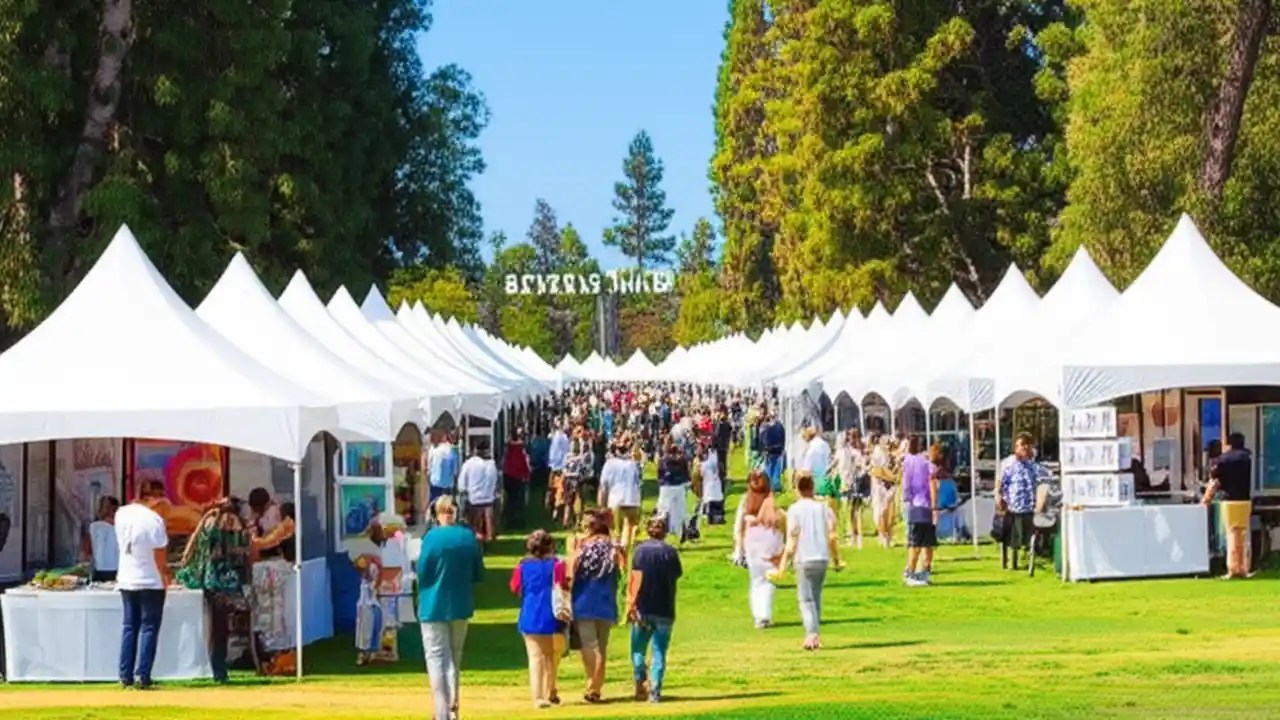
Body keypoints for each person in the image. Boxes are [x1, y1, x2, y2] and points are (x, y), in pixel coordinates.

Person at [416, 496, 485, 720]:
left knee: (436, 657)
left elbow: (422, 572)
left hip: (433, 604)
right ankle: (454, 708)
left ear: (436, 514)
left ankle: (441, 711)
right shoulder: (467, 537)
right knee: (455, 657)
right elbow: (478, 573)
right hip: (460, 603)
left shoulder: (431, 538)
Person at [176, 498, 252, 684]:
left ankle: (215, 667)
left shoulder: (208, 524)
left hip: (209, 581)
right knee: (220, 629)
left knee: (215, 628)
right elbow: (240, 550)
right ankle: (218, 670)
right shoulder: (228, 526)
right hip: (222, 582)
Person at [776, 472, 843, 651]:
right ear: (812, 488)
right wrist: (836, 559)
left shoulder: (795, 510)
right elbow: (832, 535)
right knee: (816, 597)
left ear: (797, 489)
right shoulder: (823, 508)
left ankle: (812, 635)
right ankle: (815, 632)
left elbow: (792, 539)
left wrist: (783, 564)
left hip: (804, 558)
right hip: (821, 557)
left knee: (806, 599)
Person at [115, 479, 171, 689]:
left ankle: (125, 674)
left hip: (127, 577)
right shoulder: (154, 520)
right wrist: (165, 574)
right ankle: (142, 674)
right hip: (150, 579)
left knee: (129, 626)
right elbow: (159, 553)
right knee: (149, 627)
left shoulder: (122, 513)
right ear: (155, 497)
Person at [568, 510, 626, 704]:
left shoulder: (582, 546)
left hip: (584, 600)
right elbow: (623, 570)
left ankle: (592, 683)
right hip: (606, 601)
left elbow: (570, 572)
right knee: (601, 647)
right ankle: (595, 686)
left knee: (588, 645)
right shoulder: (614, 547)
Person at [627, 515, 683, 704]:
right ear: (665, 532)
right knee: (659, 651)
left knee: (638, 649)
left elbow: (635, 578)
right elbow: (676, 575)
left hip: (643, 607)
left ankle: (639, 676)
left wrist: (631, 603)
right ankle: (655, 691)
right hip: (665, 608)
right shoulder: (671, 552)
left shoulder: (640, 551)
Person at [510, 529, 567, 709]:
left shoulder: (522, 566)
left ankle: (537, 696)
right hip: (551, 612)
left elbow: (515, 587)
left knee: (535, 657)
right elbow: (563, 584)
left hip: (529, 612)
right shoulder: (556, 565)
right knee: (550, 655)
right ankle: (550, 690)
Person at [737, 470, 785, 628]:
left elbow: (739, 526)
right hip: (770, 539)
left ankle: (759, 615)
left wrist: (739, 549)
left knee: (756, 580)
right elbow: (778, 521)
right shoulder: (771, 500)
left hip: (752, 541)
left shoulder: (746, 500)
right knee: (769, 579)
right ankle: (764, 614)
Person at [1204, 431, 1253, 578]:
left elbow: (1215, 481)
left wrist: (1207, 498)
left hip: (1229, 499)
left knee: (1232, 533)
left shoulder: (1223, 460)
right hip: (1245, 499)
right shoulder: (1246, 458)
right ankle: (1244, 567)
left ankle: (1232, 569)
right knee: (1242, 534)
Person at [997, 433, 1044, 571]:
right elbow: (1000, 483)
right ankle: (1012, 561)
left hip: (1029, 506)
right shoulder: (1008, 464)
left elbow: (1041, 482)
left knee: (1029, 535)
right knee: (1013, 536)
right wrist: (999, 498)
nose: (1023, 448)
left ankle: (1029, 557)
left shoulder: (1034, 465)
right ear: (1015, 447)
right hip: (1012, 506)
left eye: (1026, 445)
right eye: (1020, 445)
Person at [900, 437, 938, 586]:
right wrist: (934, 506)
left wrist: (906, 498)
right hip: (926, 506)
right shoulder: (927, 463)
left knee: (915, 542)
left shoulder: (909, 461)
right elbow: (933, 483)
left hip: (915, 505)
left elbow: (906, 483)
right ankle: (923, 571)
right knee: (926, 543)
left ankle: (911, 571)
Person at [598, 443, 643, 551]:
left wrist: (601, 505)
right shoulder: (633, 464)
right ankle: (626, 552)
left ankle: (618, 554)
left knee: (615, 531)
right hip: (632, 499)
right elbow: (639, 483)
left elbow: (603, 486)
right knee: (629, 529)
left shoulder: (609, 464)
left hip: (615, 500)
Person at [459, 442, 499, 544]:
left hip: (474, 500)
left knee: (473, 526)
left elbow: (462, 484)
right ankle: (488, 537)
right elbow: (495, 482)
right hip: (488, 501)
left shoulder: (468, 464)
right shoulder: (492, 464)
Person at [835, 430, 867, 548]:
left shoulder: (850, 452)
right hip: (854, 483)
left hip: (850, 483)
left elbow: (860, 467)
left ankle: (855, 537)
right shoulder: (855, 452)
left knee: (851, 511)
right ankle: (856, 537)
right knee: (855, 511)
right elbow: (862, 468)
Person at [656, 443, 691, 546]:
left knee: (663, 511)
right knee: (680, 512)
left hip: (666, 488)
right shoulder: (682, 460)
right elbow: (686, 475)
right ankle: (680, 533)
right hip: (679, 487)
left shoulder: (663, 460)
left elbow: (659, 475)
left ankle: (659, 534)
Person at [868, 434, 897, 548]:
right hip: (879, 486)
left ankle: (887, 535)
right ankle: (883, 536)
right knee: (881, 512)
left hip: (888, 486)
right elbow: (877, 471)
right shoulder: (877, 452)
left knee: (889, 511)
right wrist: (891, 478)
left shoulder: (888, 454)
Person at [84, 495, 120, 582]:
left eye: (107, 507)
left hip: (115, 569)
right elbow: (87, 550)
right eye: (103, 507)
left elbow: (87, 551)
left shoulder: (121, 526)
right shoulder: (94, 527)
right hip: (100, 569)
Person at [502, 428, 532, 530]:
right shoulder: (522, 447)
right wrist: (527, 474)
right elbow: (525, 462)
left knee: (510, 500)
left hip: (508, 475)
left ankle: (509, 521)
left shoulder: (508, 447)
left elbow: (504, 461)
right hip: (519, 476)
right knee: (519, 500)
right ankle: (518, 522)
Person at [426, 432, 460, 507]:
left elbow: (429, 467)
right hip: (448, 484)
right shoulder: (453, 451)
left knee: (434, 503)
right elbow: (455, 471)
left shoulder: (434, 450)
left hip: (434, 482)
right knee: (446, 506)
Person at [699, 445, 725, 525]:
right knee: (713, 498)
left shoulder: (706, 461)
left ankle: (713, 517)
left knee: (711, 498)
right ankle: (714, 517)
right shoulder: (711, 458)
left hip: (712, 485)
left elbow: (701, 474)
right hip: (713, 485)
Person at [760, 412, 786, 492]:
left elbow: (762, 439)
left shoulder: (765, 427)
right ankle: (776, 485)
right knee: (777, 468)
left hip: (768, 450)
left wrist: (763, 449)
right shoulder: (780, 426)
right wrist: (782, 447)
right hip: (778, 449)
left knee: (769, 467)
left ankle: (768, 485)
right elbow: (783, 437)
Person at [547, 423, 570, 512]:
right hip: (561, 466)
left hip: (553, 466)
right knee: (559, 489)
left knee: (551, 487)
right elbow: (566, 452)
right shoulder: (565, 438)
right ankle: (556, 509)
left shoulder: (554, 436)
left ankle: (549, 505)